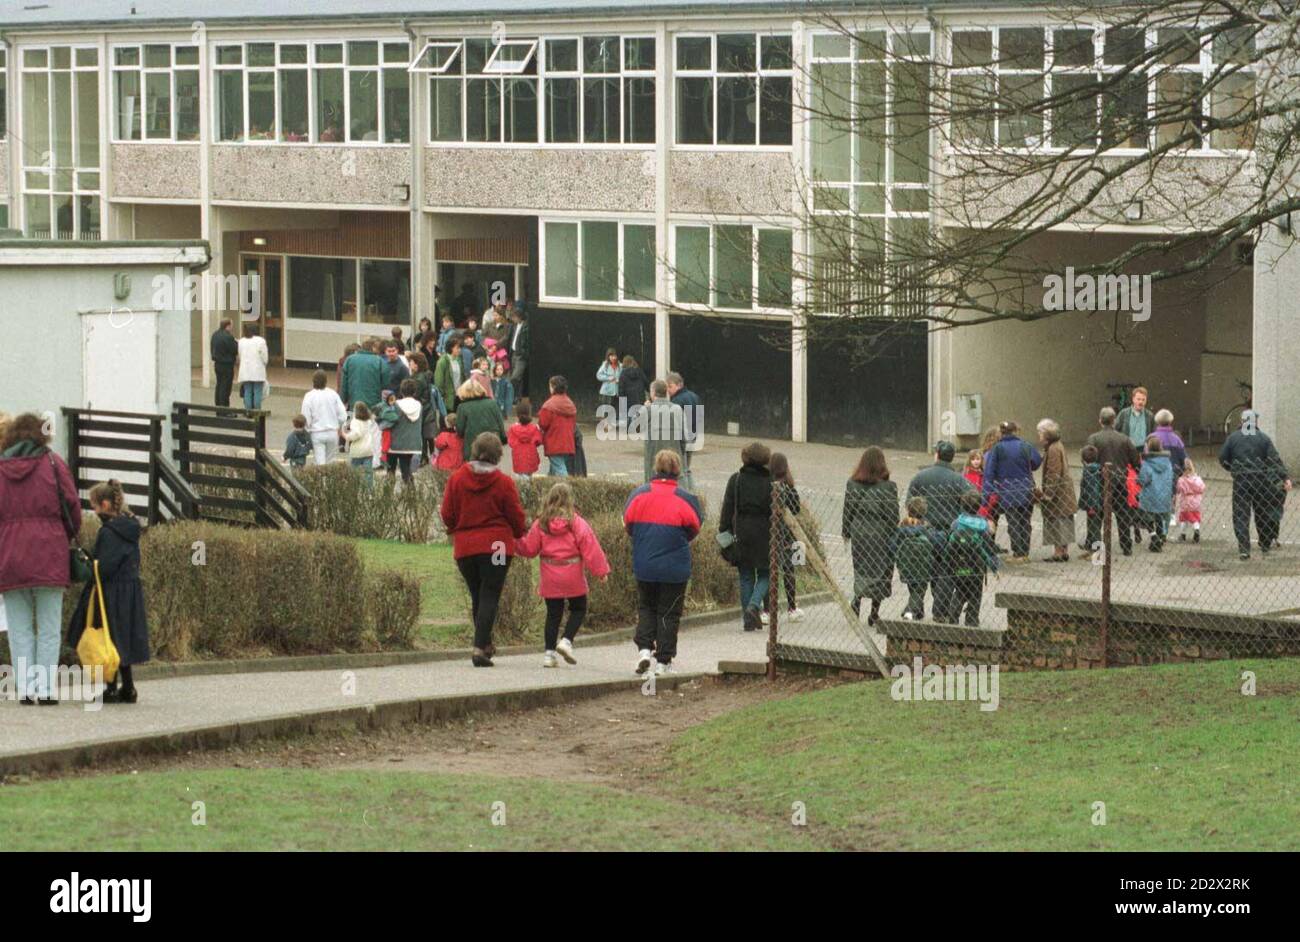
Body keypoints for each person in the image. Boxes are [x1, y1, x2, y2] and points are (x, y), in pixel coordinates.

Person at [0, 413, 82, 704]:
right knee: (48, 627)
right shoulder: (53, 463)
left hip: (9, 558)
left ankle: (26, 689)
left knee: (19, 628)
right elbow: (72, 506)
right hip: (50, 554)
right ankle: (46, 690)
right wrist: (66, 537)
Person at [440, 432, 527, 667]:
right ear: (497, 455)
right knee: (490, 593)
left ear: (474, 450)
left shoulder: (456, 479)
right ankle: (479, 647)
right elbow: (516, 516)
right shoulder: (504, 482)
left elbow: (447, 513)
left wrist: (455, 528)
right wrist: (520, 532)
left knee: (478, 594)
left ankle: (485, 644)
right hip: (497, 545)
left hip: (466, 547)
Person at [66, 480, 148, 704]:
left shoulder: (109, 532)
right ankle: (129, 687)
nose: (93, 511)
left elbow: (104, 567)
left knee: (108, 639)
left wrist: (88, 564)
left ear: (104, 504)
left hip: (110, 592)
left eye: (94, 506)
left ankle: (111, 688)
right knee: (123, 639)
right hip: (129, 590)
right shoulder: (130, 527)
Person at [514, 482, 611, 668]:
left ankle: (549, 655)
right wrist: (601, 571)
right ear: (570, 500)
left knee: (553, 613)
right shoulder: (576, 522)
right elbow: (590, 547)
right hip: (572, 571)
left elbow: (529, 548)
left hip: (550, 573)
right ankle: (566, 641)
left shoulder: (540, 523)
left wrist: (513, 540)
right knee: (579, 608)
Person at [624, 449, 703, 675]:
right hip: (674, 567)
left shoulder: (638, 494)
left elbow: (628, 525)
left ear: (655, 468)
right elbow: (695, 528)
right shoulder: (687, 498)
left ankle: (644, 650)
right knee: (669, 612)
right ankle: (663, 662)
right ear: (678, 470)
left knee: (646, 606)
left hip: (645, 564)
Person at [1219, 410, 1292, 559]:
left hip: (1241, 479)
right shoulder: (1263, 438)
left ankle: (1244, 548)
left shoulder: (1233, 438)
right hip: (1261, 479)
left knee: (1241, 514)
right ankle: (1264, 543)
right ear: (1256, 422)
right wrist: (1284, 477)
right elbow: (1274, 459)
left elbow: (1223, 458)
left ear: (1242, 421)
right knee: (1262, 511)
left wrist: (1232, 468)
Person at [720, 441, 774, 632]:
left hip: (742, 530)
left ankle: (748, 619)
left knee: (745, 575)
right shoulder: (771, 482)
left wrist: (724, 530)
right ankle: (754, 605)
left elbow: (727, 508)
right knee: (766, 573)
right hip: (765, 532)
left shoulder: (736, 480)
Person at [842, 445, 898, 626]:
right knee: (882, 572)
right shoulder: (889, 488)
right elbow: (893, 516)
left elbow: (847, 510)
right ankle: (874, 612)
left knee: (861, 569)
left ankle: (857, 600)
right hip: (880, 535)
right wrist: (892, 534)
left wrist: (846, 531)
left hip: (859, 533)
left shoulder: (852, 484)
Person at [982, 421, 1042, 562]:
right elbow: (1036, 461)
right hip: (1026, 488)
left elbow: (989, 473)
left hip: (1007, 491)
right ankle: (1025, 552)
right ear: (1015, 431)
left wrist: (985, 498)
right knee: (1025, 522)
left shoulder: (997, 448)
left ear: (1002, 432)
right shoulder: (1025, 445)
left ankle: (1018, 553)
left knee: (1013, 522)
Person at [1087, 406, 1143, 556]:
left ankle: (1096, 546)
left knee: (1096, 516)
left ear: (1100, 421)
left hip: (1099, 481)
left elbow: (1087, 458)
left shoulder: (1093, 439)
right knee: (1123, 514)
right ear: (1114, 421)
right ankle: (1126, 546)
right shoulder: (1124, 439)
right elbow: (1136, 460)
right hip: (1120, 481)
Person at [945, 491, 1000, 627]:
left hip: (958, 563)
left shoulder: (957, 522)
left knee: (959, 591)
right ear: (979, 506)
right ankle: (972, 619)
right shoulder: (983, 524)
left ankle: (953, 617)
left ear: (962, 505)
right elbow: (989, 546)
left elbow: (950, 536)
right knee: (975, 594)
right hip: (977, 565)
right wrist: (994, 565)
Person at [906, 440, 974, 532]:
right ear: (952, 457)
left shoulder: (920, 476)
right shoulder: (960, 480)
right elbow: (972, 501)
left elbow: (909, 502)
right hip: (950, 529)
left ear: (937, 455)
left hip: (924, 529)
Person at [1035, 418, 1077, 562]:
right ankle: (1064, 551)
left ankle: (1058, 552)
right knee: (1064, 520)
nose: (1039, 437)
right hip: (1064, 491)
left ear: (1046, 434)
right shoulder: (1058, 445)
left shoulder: (1052, 449)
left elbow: (1053, 473)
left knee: (1056, 521)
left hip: (1058, 494)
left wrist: (1048, 494)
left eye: (1040, 433)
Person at [892, 496, 941, 620]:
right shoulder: (927, 527)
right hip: (924, 564)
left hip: (906, 563)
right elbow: (935, 542)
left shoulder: (902, 527)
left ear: (908, 510)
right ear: (925, 512)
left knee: (913, 586)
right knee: (919, 589)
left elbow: (893, 544)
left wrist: (895, 555)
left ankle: (918, 611)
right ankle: (909, 611)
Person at [769, 452, 804, 621]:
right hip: (787, 534)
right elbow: (796, 509)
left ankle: (768, 610)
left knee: (769, 571)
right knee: (789, 570)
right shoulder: (790, 489)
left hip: (769, 533)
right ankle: (791, 608)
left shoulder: (768, 486)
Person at [641, 380, 686, 484]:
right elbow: (683, 437)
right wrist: (681, 453)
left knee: (653, 489)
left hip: (654, 459)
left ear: (653, 392)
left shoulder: (648, 409)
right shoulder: (677, 409)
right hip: (674, 457)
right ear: (666, 392)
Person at [453, 378, 507, 463]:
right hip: (492, 445)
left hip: (473, 447)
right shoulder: (492, 403)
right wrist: (503, 439)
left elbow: (460, 431)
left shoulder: (462, 407)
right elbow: (500, 424)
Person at [301, 369, 347, 467]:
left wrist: (308, 429)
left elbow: (306, 417)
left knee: (320, 463)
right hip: (332, 432)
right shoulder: (333, 394)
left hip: (317, 433)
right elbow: (343, 415)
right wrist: (338, 424)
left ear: (313, 381)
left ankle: (322, 482)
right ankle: (329, 481)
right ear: (326, 381)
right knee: (330, 462)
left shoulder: (309, 396)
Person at [666, 372, 703, 490]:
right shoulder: (695, 396)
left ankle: (686, 493)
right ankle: (693, 492)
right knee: (687, 469)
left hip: (682, 439)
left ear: (679, 385)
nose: (668, 390)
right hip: (693, 436)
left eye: (670, 386)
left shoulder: (677, 401)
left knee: (682, 470)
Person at [1137, 435, 1174, 552]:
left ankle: (1153, 536)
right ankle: (1161, 535)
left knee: (1147, 516)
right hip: (1164, 494)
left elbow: (1144, 480)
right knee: (1160, 516)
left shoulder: (1147, 463)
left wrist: (1138, 480)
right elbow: (1171, 477)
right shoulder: (1168, 463)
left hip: (1150, 495)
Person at [538, 375, 578, 476]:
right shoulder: (570, 404)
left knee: (560, 470)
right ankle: (550, 488)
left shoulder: (548, 405)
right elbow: (573, 424)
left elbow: (543, 424)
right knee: (554, 469)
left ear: (553, 387)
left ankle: (565, 490)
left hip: (554, 443)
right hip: (568, 443)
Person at [386, 379, 423, 483]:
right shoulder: (419, 405)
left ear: (401, 391)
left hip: (394, 443)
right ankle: (411, 495)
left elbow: (390, 421)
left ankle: (387, 495)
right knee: (406, 471)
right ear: (414, 392)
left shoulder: (395, 405)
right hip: (411, 444)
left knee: (390, 471)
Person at [341, 340, 386, 413]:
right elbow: (386, 384)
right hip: (374, 404)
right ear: (373, 348)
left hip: (354, 403)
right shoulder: (380, 361)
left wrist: (343, 400)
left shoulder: (350, 360)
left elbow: (344, 385)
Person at [236, 323, 269, 410]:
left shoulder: (242, 341)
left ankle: (248, 410)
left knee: (247, 391)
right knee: (257, 391)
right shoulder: (261, 341)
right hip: (257, 370)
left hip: (245, 370)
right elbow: (264, 357)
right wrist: (265, 363)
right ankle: (256, 411)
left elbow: (240, 354)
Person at [507, 401, 543, 481]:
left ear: (517, 414)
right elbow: (539, 441)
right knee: (529, 477)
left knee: (521, 479)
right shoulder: (534, 428)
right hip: (531, 457)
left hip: (518, 458)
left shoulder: (513, 429)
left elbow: (510, 443)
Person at [1077, 444, 1103, 554]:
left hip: (1093, 504)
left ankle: (1096, 549)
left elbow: (1092, 490)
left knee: (1094, 526)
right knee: (1092, 524)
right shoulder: (1097, 468)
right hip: (1097, 502)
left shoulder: (1089, 472)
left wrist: (1092, 505)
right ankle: (1089, 544)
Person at [344, 401, 376, 484]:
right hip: (369, 450)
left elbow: (356, 434)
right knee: (368, 473)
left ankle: (354, 489)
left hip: (358, 451)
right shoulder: (369, 421)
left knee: (354, 473)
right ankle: (369, 492)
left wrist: (346, 436)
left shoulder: (355, 421)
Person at [1116, 386, 1157, 451]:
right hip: (1127, 450)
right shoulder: (1123, 414)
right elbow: (1115, 430)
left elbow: (1154, 434)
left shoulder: (1150, 416)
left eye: (1143, 400)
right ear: (1133, 399)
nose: (1141, 402)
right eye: (1138, 399)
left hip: (1144, 451)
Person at [1175, 459, 1205, 543]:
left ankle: (1183, 534)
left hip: (1186, 502)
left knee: (1184, 518)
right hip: (1196, 501)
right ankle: (1197, 529)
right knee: (1195, 517)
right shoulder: (1197, 479)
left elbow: (1178, 489)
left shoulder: (1181, 480)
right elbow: (1202, 487)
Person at [210, 318, 238, 407]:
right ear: (228, 326)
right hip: (227, 364)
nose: (232, 328)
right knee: (225, 387)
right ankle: (224, 408)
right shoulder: (228, 336)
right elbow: (234, 350)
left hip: (217, 363)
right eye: (231, 326)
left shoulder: (215, 335)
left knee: (219, 385)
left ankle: (218, 406)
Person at [618, 355, 648, 428]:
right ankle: (638, 425)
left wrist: (621, 398)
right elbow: (646, 382)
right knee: (639, 411)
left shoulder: (623, 373)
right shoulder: (640, 371)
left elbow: (621, 387)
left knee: (628, 412)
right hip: (639, 396)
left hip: (628, 397)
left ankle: (629, 426)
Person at [434, 334, 463, 410]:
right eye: (457, 348)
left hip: (459, 395)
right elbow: (439, 381)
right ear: (451, 348)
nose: (459, 350)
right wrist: (443, 396)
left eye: (460, 348)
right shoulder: (442, 361)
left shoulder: (458, 360)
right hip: (448, 398)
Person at [507, 308, 530, 401]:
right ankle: (516, 397)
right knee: (517, 378)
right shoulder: (514, 326)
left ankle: (514, 396)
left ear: (519, 317)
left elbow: (527, 342)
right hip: (513, 353)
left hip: (521, 355)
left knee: (515, 377)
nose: (513, 319)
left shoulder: (526, 326)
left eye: (514, 317)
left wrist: (524, 353)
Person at [597, 349, 621, 415]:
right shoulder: (605, 364)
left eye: (614, 356)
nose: (613, 358)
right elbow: (598, 375)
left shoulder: (620, 365)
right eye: (611, 356)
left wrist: (619, 380)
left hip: (616, 392)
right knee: (605, 412)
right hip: (606, 392)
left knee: (614, 412)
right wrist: (609, 378)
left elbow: (623, 376)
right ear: (608, 357)